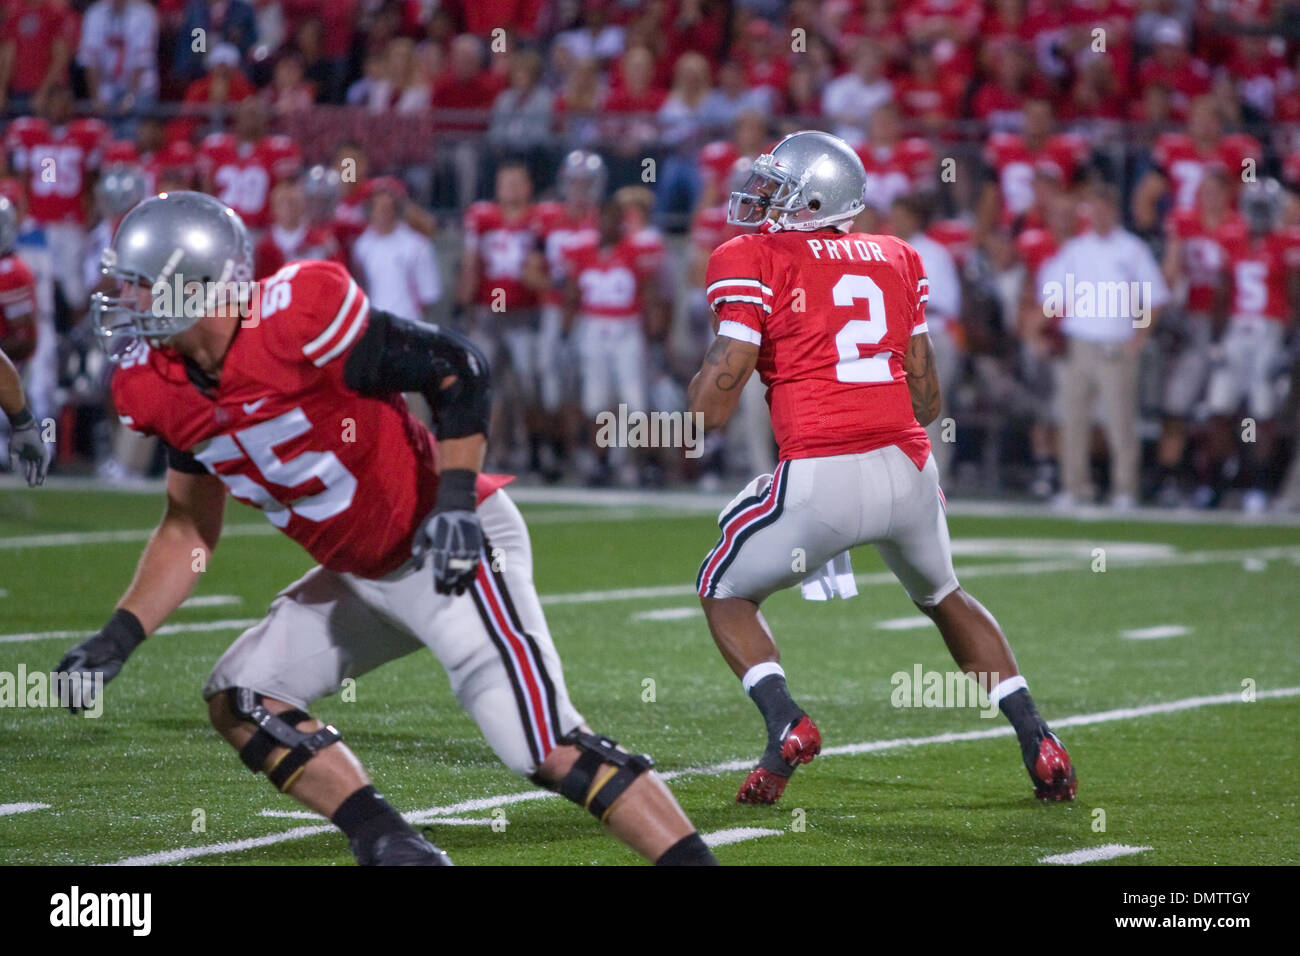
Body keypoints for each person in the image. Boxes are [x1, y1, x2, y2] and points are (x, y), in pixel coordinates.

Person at [52, 191, 717, 867]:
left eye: (135, 284)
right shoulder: (154, 385)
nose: (122, 300)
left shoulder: (297, 315)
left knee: (543, 746)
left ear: (192, 283)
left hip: (445, 547)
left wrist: (456, 502)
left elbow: (457, 371)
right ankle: (391, 844)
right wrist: (119, 635)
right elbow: (190, 528)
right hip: (363, 576)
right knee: (243, 696)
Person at [687, 130, 1077, 806]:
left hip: (823, 475)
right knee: (944, 595)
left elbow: (714, 408)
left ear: (813, 199)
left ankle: (785, 724)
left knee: (721, 587)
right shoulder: (898, 256)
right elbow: (927, 400)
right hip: (908, 467)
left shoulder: (751, 256)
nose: (762, 202)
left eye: (778, 191)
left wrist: (699, 398)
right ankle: (1039, 740)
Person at [1039, 182, 1169, 509]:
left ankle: (1124, 489)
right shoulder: (1075, 250)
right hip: (1078, 344)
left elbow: (1154, 298)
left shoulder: (1132, 249)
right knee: (1073, 421)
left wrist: (1138, 338)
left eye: (1104, 209)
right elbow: (1051, 297)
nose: (1098, 215)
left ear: (1114, 211)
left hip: (1116, 345)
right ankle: (1074, 486)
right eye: (1093, 209)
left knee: (1120, 421)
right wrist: (1048, 332)